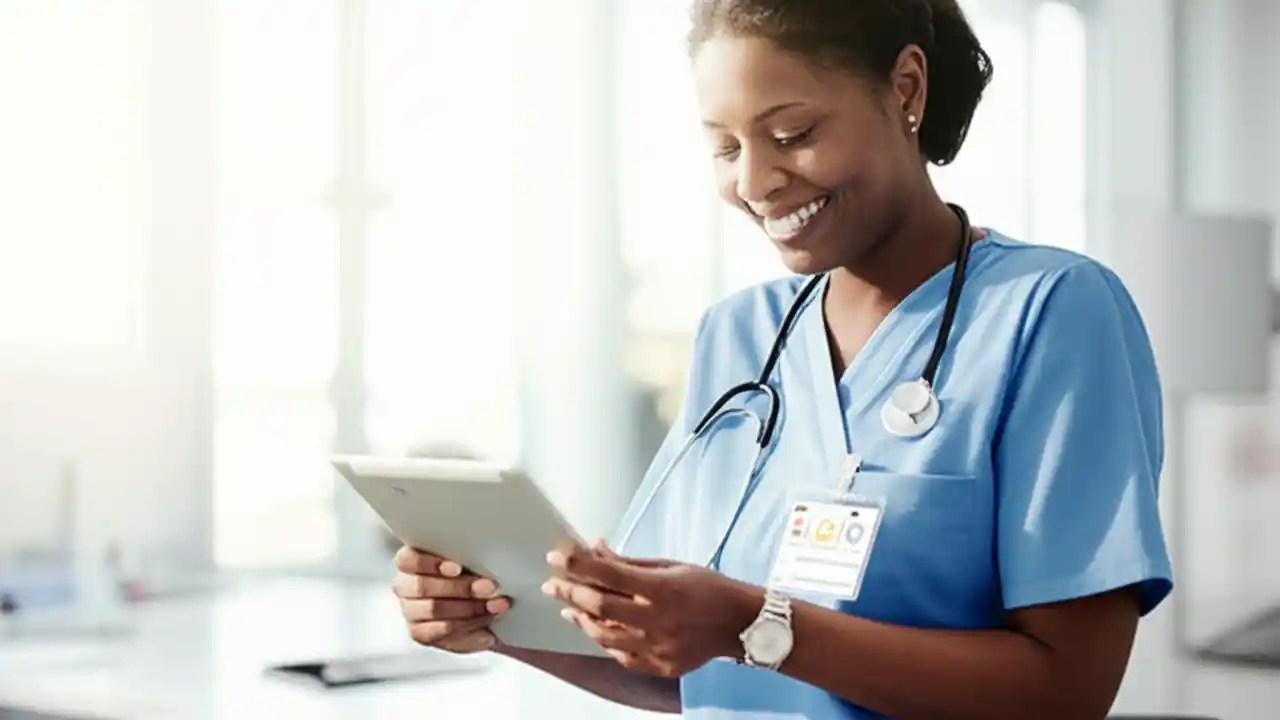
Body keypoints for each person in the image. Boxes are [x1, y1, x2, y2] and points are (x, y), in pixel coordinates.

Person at [391, 0, 1173, 717]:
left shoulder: (1051, 311)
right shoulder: (738, 338)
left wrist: (750, 622)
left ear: (906, 88)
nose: (754, 181)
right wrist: (499, 621)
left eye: (793, 135)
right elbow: (688, 667)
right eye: (725, 147)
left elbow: (1067, 692)